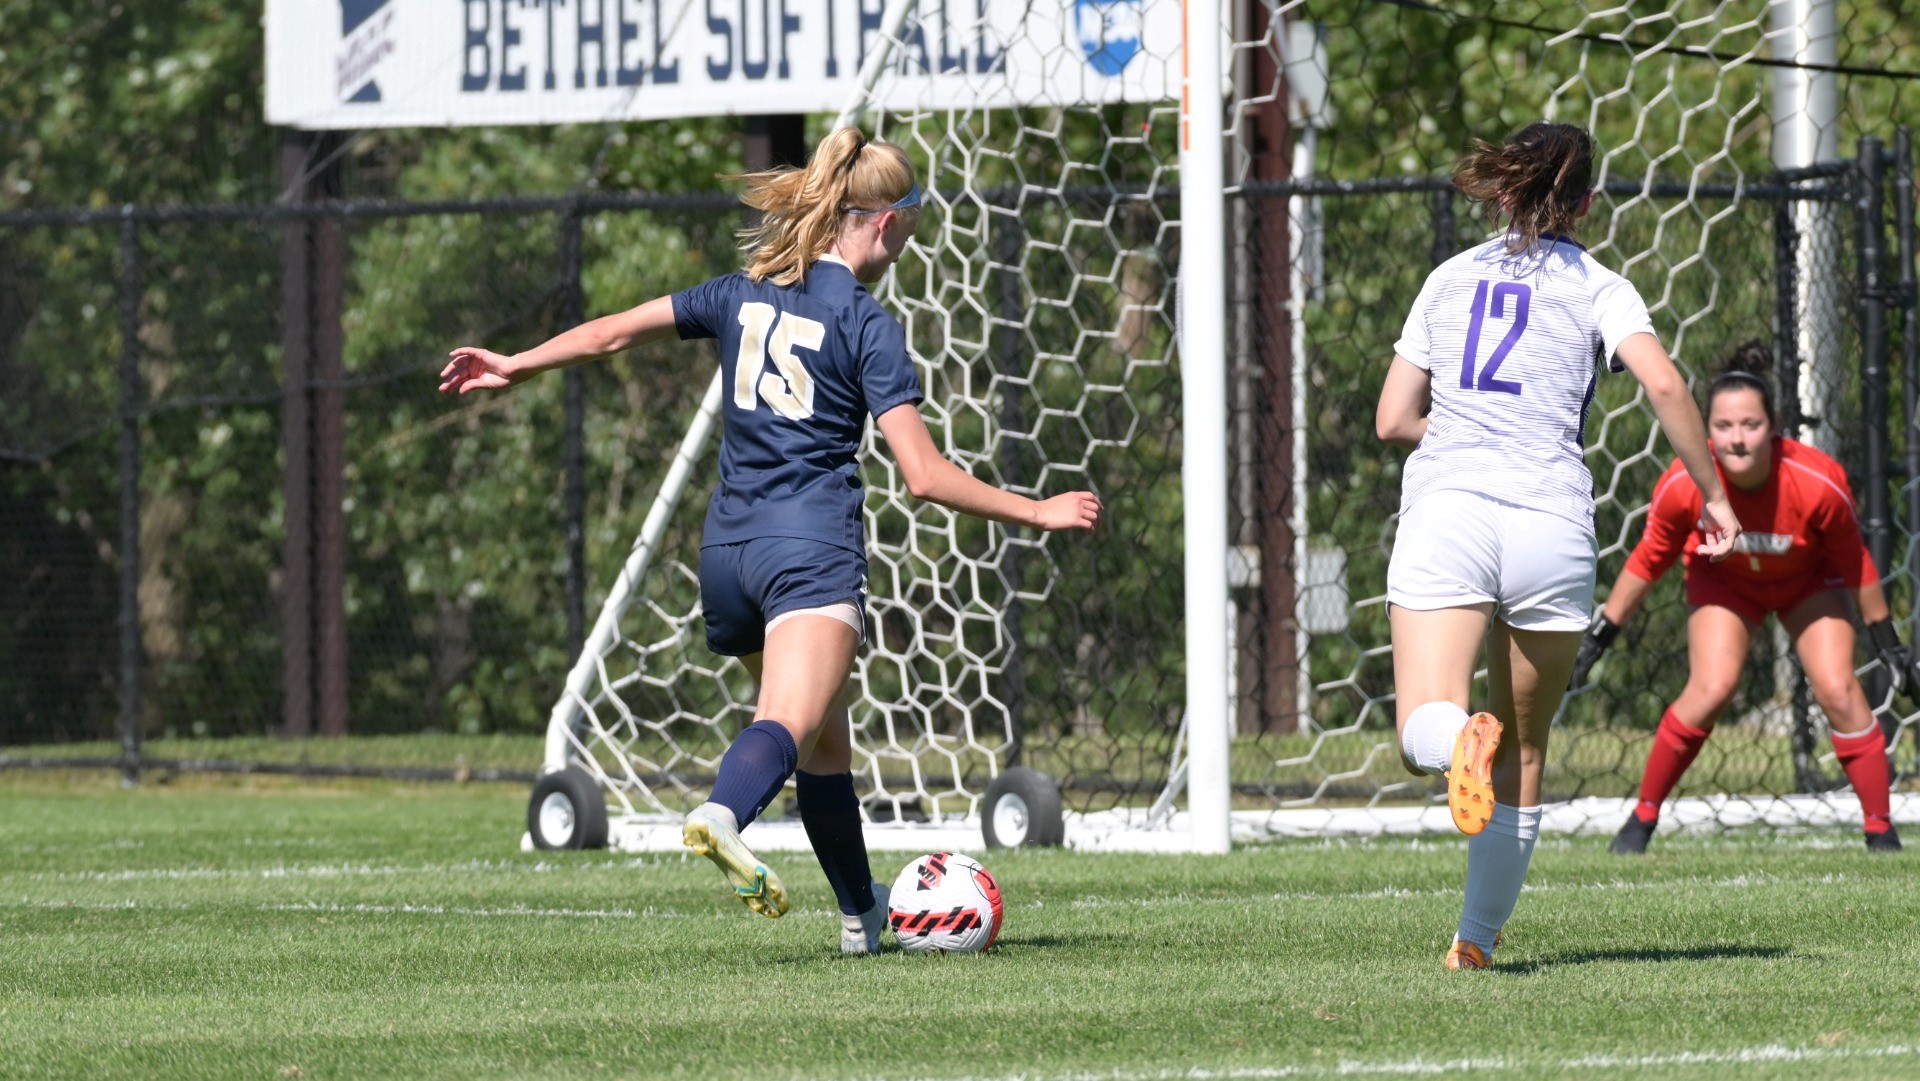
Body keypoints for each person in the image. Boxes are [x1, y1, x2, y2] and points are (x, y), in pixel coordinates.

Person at [438, 128, 1102, 953]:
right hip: (809, 552)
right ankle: (723, 811)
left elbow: (613, 331)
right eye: (912, 225)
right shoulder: (867, 324)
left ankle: (864, 918)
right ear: (886, 223)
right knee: (788, 721)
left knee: (827, 742)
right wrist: (1037, 510)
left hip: (727, 558)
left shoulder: (739, 293)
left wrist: (516, 363)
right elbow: (924, 476)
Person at [1376, 121, 1740, 971]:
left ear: (1504, 192)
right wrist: (1713, 495)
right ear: (1585, 203)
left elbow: (1393, 418)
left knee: (1424, 721)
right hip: (1552, 523)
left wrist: (1463, 434)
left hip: (1452, 507)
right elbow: (1662, 381)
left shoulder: (1447, 278)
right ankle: (1476, 939)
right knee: (1527, 747)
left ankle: (1454, 734)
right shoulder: (1601, 286)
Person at [1572, 342, 1907, 855]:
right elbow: (1647, 561)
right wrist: (1600, 636)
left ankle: (1881, 830)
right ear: (1705, 429)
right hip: (1725, 583)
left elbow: (1855, 561)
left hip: (1807, 585)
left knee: (1839, 689)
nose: (1737, 439)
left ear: (1774, 428)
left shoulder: (1818, 483)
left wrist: (1889, 644)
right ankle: (1641, 821)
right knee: (1711, 688)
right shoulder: (1684, 484)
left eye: (1750, 425)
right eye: (1724, 427)